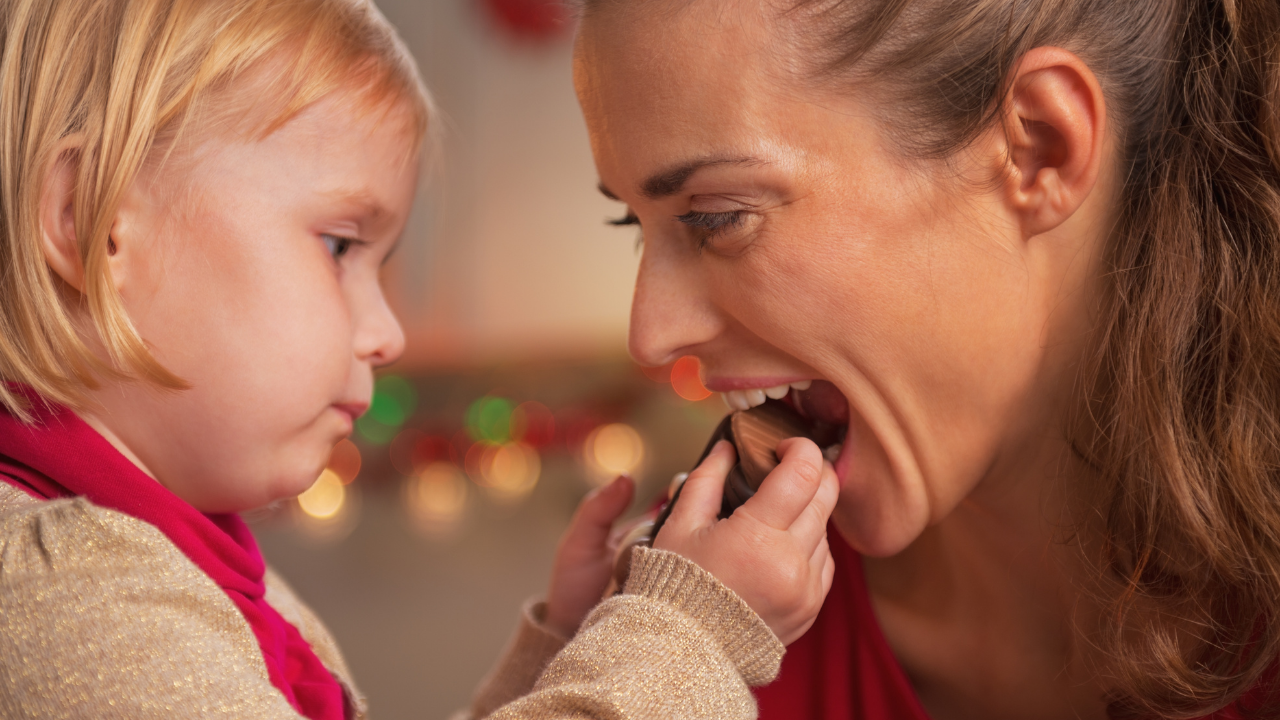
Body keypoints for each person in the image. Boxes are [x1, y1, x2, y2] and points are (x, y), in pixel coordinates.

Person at [0, 0, 841, 717]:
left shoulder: (167, 561)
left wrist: (575, 651)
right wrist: (691, 633)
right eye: (338, 245)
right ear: (87, 221)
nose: (387, 333)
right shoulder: (75, 600)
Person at [574, 0, 1280, 718]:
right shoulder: (683, 626)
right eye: (636, 224)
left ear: (1039, 146)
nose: (651, 333)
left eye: (716, 215)